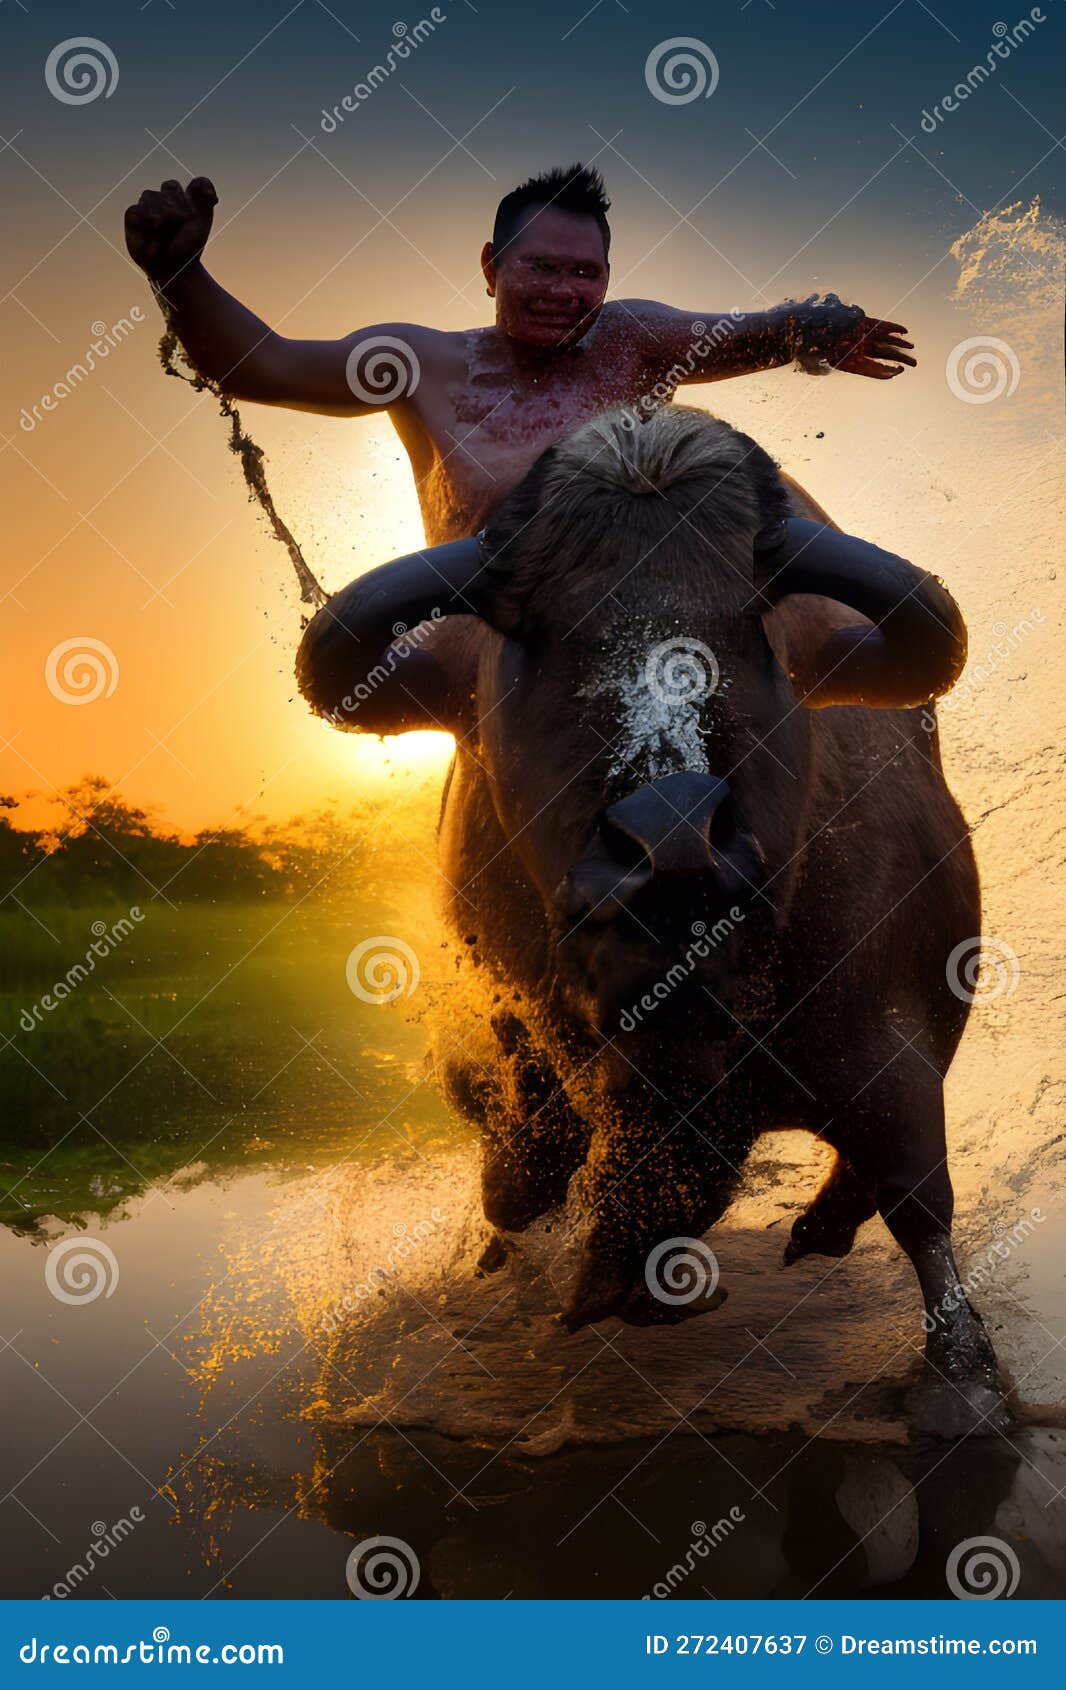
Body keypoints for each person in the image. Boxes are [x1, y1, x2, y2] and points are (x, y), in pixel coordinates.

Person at [124, 163, 914, 548]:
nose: (565, 292)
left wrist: (818, 325)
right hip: (486, 630)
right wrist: (180, 276)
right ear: (491, 267)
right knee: (353, 664)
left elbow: (759, 329)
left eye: (586, 274)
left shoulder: (634, 340)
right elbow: (262, 366)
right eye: (541, 267)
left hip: (658, 614)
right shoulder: (420, 362)